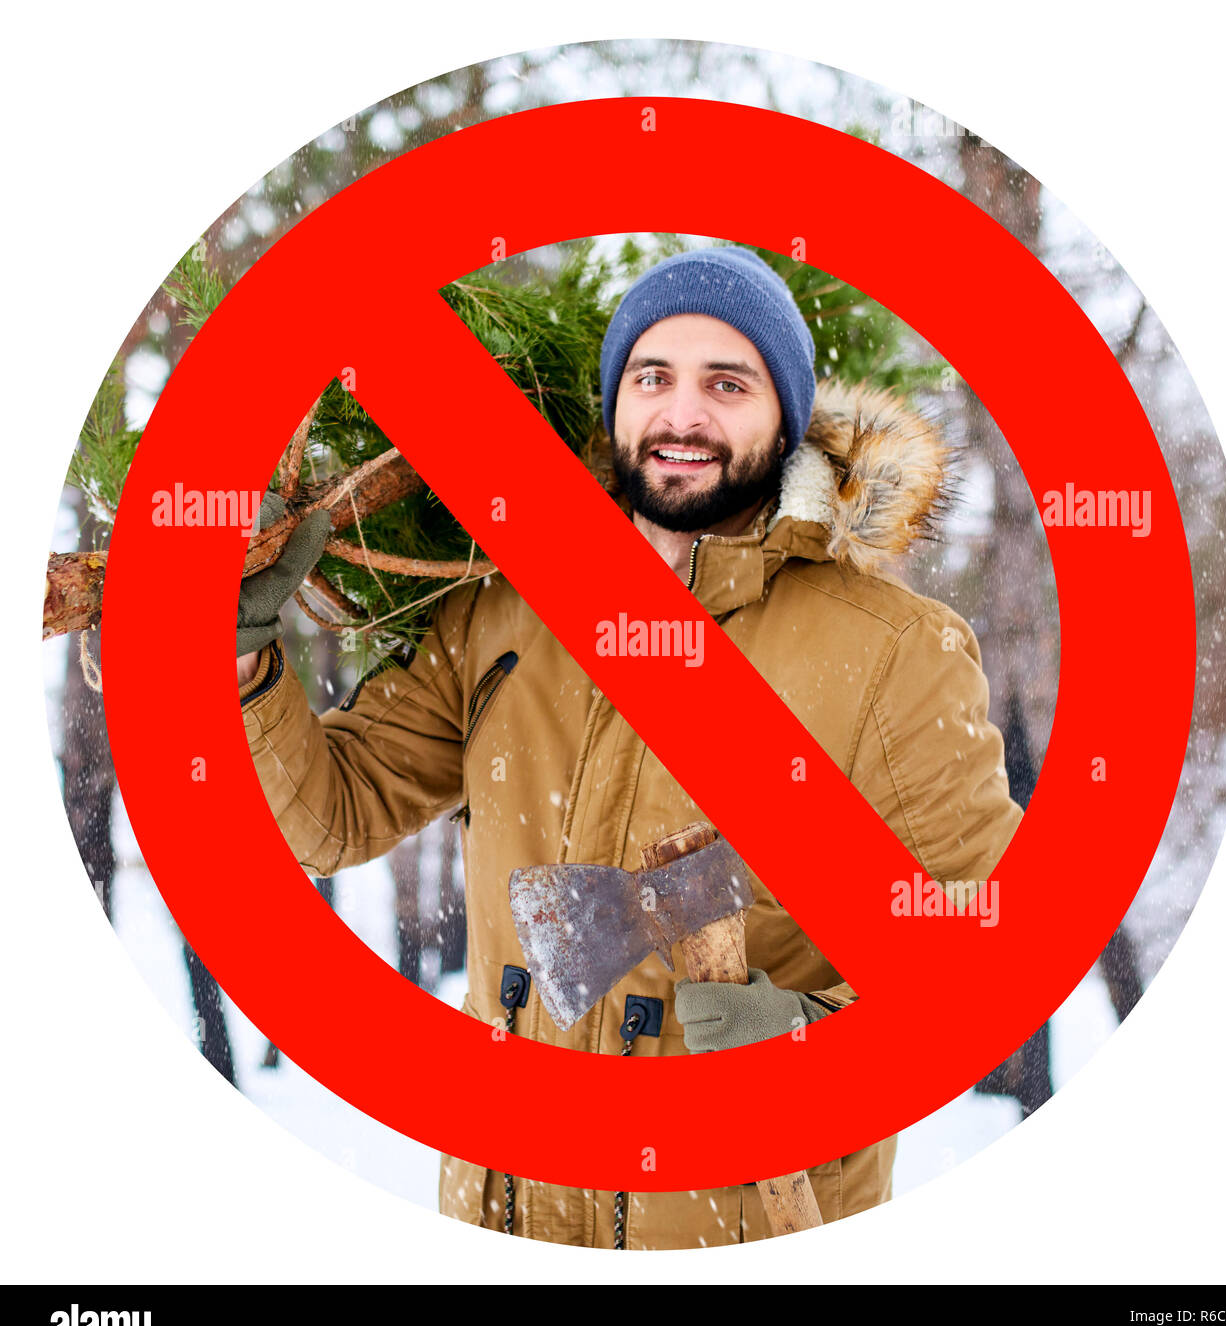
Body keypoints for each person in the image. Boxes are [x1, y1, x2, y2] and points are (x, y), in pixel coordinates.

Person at [235, 245, 1023, 1248]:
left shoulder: (891, 650)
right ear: (615, 406)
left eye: (726, 384)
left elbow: (985, 955)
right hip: (504, 1217)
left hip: (741, 1226)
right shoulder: (504, 609)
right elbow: (329, 817)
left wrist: (816, 1041)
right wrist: (241, 661)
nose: (682, 415)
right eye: (652, 378)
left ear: (786, 418)